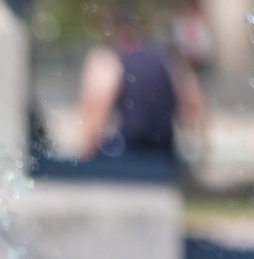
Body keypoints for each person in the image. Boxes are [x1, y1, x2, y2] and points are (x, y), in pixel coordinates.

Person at [37, 12, 203, 184]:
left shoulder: (110, 62)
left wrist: (86, 155)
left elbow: (97, 108)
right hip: (163, 153)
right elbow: (194, 106)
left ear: (117, 33)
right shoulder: (167, 61)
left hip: (128, 154)